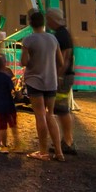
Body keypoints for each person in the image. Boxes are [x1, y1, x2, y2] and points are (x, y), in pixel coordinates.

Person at [17, 10, 62, 161]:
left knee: (40, 115)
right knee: (50, 115)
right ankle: (59, 152)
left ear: (30, 23)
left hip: (35, 81)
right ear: (43, 23)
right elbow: (60, 62)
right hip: (51, 81)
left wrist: (33, 61)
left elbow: (23, 62)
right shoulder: (53, 39)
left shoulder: (28, 40)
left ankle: (43, 152)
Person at [47, 9, 78, 157]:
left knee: (61, 109)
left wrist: (58, 76)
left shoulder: (60, 35)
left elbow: (65, 58)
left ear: (54, 20)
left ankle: (68, 141)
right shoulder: (64, 33)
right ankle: (67, 140)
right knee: (62, 109)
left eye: (49, 19)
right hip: (66, 75)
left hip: (63, 76)